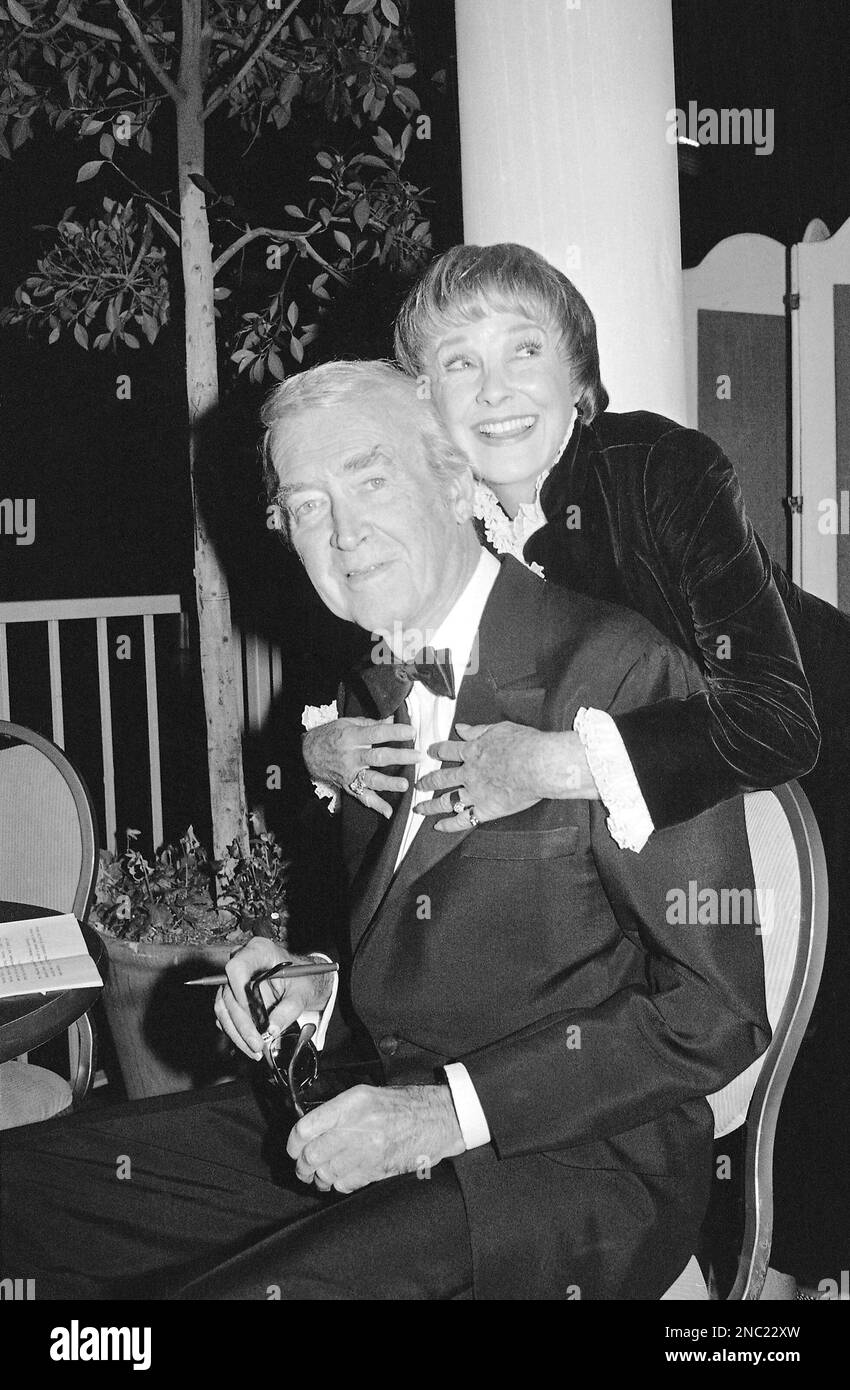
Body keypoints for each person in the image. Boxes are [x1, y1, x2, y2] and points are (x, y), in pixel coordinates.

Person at [0, 361, 770, 1301]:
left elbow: (717, 1014)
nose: (343, 532)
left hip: (573, 1170)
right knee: (25, 1190)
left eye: (370, 480)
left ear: (454, 482)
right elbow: (415, 934)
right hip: (371, 1105)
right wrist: (308, 987)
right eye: (307, 505)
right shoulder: (375, 689)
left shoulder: (617, 674)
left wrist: (446, 1114)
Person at [301, 244, 849, 1295]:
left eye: (525, 350)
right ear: (424, 403)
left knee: (807, 1051)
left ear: (580, 381)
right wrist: (323, 743)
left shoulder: (658, 470)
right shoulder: (450, 513)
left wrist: (549, 762)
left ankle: (776, 1277)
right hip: (682, 796)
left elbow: (778, 720)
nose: (496, 388)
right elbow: (394, 663)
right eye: (457, 363)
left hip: (822, 760)